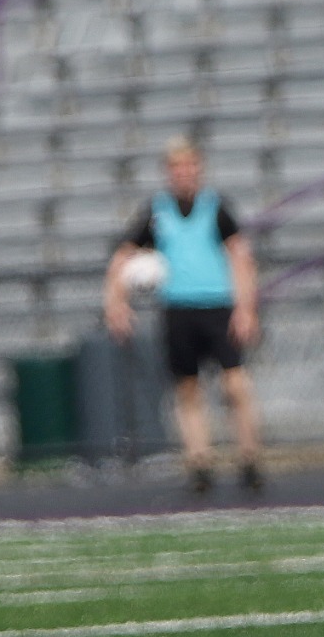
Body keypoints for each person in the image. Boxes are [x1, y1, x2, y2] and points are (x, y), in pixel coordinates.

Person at [103, 138, 263, 494]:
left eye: (190, 167)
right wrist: (115, 304)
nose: (184, 175)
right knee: (187, 389)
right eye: (177, 168)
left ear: (199, 169)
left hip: (218, 307)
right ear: (169, 173)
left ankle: (249, 458)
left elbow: (241, 257)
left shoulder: (216, 207)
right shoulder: (157, 212)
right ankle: (199, 463)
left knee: (235, 384)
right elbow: (122, 257)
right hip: (179, 310)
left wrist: (246, 309)